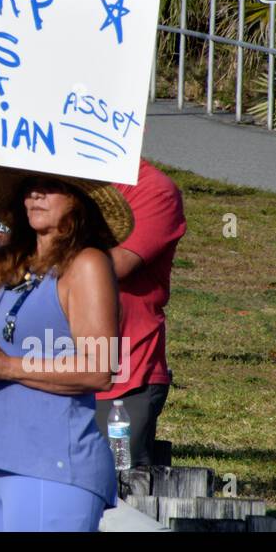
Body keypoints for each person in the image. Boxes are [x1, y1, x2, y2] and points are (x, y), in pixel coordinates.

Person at [0, 163, 133, 532]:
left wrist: (5, 367)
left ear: (77, 202)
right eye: (30, 187)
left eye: (51, 187)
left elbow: (99, 369)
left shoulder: (87, 264)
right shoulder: (14, 261)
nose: (35, 194)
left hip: (50, 467)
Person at [95, 159, 186, 467]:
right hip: (44, 368)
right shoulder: (50, 184)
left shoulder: (154, 190)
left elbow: (117, 265)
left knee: (117, 495)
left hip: (121, 376)